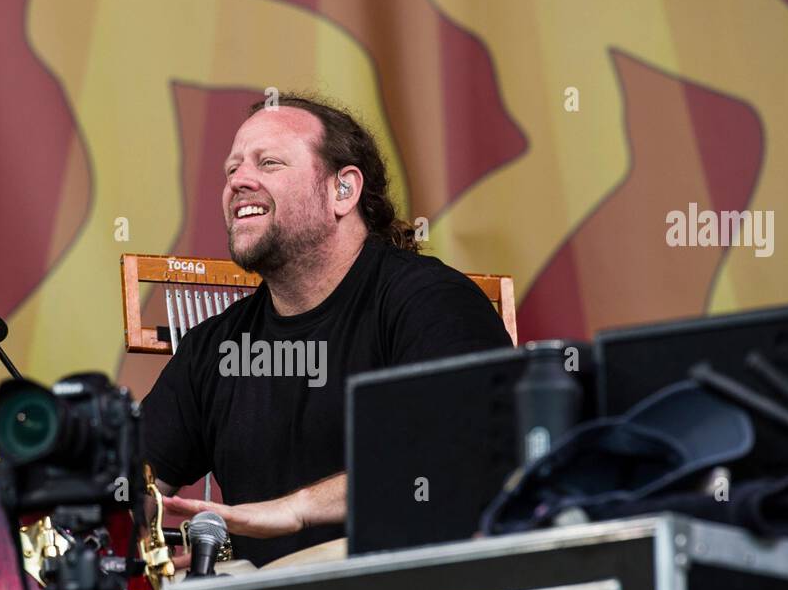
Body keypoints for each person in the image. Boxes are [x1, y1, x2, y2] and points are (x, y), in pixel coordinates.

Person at [141, 94, 512, 565]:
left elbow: (467, 450)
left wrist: (295, 510)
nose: (238, 181)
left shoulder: (430, 301)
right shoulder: (212, 349)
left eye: (268, 163)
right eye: (232, 169)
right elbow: (130, 485)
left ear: (343, 190)